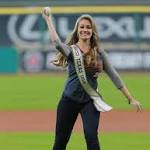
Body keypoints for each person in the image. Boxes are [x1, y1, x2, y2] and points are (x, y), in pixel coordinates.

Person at [42, 7, 141, 150]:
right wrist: (48, 19)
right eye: (82, 27)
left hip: (90, 101)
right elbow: (57, 43)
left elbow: (114, 76)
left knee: (91, 137)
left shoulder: (99, 53)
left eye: (88, 27)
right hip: (69, 100)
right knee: (61, 141)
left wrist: (130, 98)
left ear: (92, 31)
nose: (85, 30)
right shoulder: (71, 50)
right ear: (77, 30)